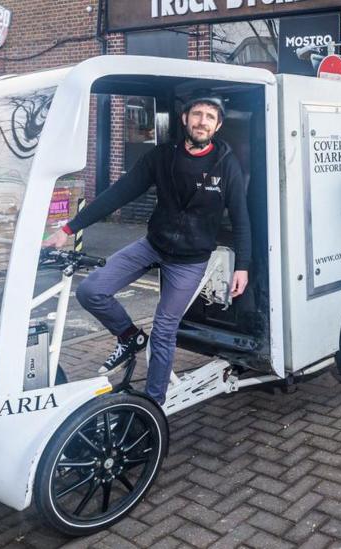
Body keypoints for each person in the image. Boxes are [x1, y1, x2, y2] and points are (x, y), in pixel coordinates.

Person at [43, 92, 251, 406]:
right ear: (185, 119)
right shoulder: (163, 156)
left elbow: (241, 219)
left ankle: (152, 407)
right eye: (197, 114)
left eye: (210, 117)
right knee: (91, 290)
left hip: (190, 260)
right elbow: (118, 194)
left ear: (218, 125)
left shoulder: (227, 165)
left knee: (165, 329)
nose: (202, 122)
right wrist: (69, 229)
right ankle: (129, 337)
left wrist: (243, 266)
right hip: (153, 245)